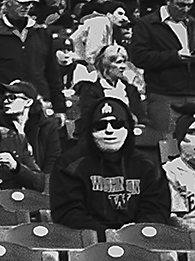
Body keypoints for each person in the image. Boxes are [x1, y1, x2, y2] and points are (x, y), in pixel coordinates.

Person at [50, 97, 170, 230]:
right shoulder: (69, 165)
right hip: (88, 239)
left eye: (117, 124)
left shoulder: (149, 165)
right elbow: (68, 213)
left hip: (140, 237)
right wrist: (107, 234)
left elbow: (157, 210)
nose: (109, 130)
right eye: (100, 125)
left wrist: (135, 231)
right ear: (90, 129)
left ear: (129, 127)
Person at [128, 0, 195, 139]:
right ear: (168, 0)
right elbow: (138, 56)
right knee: (165, 142)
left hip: (194, 94)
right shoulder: (147, 24)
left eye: (189, 5)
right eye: (180, 5)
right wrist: (175, 57)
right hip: (164, 95)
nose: (185, 9)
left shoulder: (194, 24)